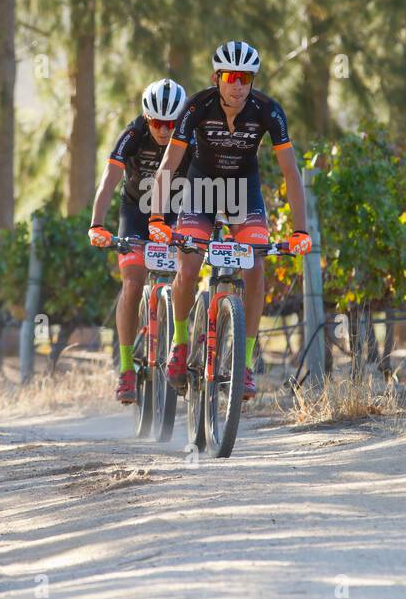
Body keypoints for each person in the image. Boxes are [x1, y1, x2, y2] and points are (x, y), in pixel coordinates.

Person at [148, 41, 311, 399]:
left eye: (246, 78)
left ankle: (246, 364)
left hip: (244, 190)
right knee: (188, 265)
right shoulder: (197, 106)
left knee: (255, 265)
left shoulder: (269, 110)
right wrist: (158, 217)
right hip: (201, 187)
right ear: (216, 78)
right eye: (232, 77)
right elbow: (170, 164)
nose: (239, 85)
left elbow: (290, 173)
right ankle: (178, 342)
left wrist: (301, 231)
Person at [87, 78, 190, 403]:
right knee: (132, 283)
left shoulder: (191, 136)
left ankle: (181, 345)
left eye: (171, 124)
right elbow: (109, 180)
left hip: (175, 210)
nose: (164, 130)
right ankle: (127, 367)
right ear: (147, 119)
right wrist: (97, 224)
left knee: (188, 274)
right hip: (135, 213)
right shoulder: (132, 135)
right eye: (158, 123)